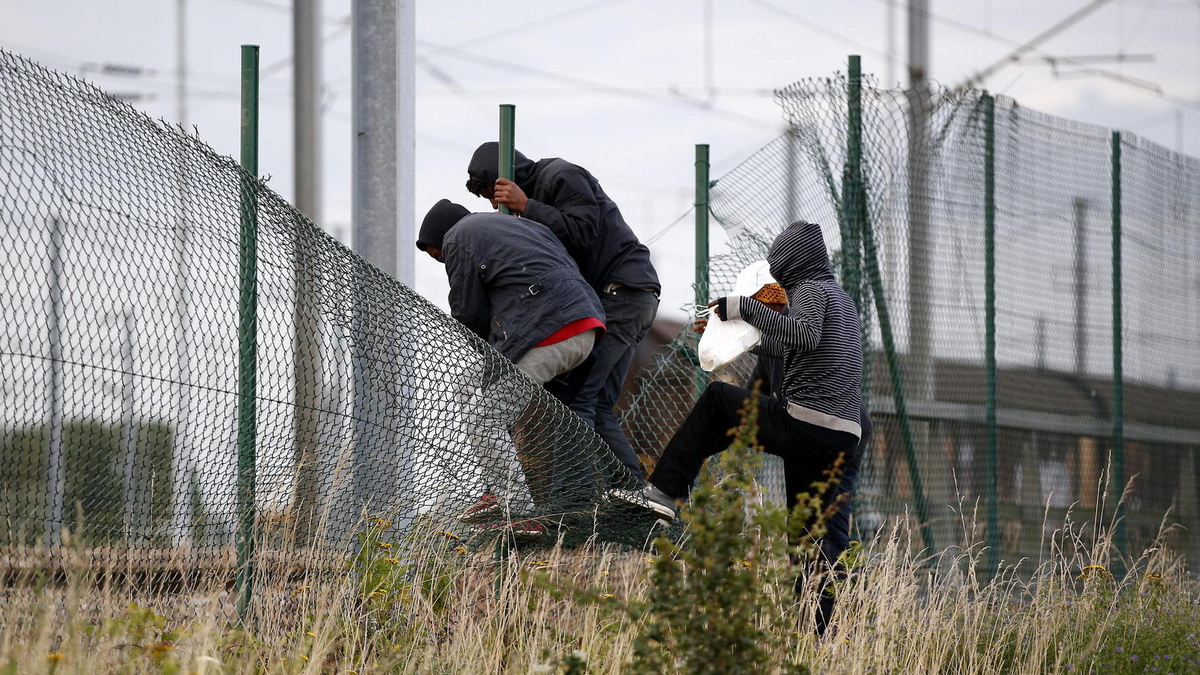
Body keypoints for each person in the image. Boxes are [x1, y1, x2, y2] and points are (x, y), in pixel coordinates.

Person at [611, 219, 863, 533]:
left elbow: (805, 335)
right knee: (809, 531)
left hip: (809, 422)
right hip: (838, 435)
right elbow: (793, 348)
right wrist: (733, 336)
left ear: (790, 262)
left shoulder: (808, 288)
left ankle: (664, 492)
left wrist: (745, 308)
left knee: (717, 399)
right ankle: (820, 583)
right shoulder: (838, 297)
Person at [465, 143, 659, 488]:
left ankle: (574, 501)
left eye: (491, 194)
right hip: (627, 295)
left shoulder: (561, 175)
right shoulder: (537, 197)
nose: (495, 206)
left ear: (505, 179)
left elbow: (584, 232)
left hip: (620, 293)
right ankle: (635, 495)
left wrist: (526, 205)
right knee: (597, 403)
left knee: (574, 398)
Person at [417, 199, 606, 533]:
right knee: (467, 383)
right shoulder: (520, 227)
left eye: (438, 255)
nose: (443, 260)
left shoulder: (459, 237)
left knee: (484, 416)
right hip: (580, 325)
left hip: (553, 332)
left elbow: (468, 312)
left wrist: (481, 346)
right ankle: (496, 488)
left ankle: (519, 511)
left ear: (441, 237)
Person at [695, 278, 870, 635]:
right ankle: (819, 625)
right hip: (829, 438)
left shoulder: (802, 331)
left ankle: (828, 627)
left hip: (837, 441)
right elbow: (744, 416)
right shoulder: (772, 348)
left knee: (823, 534)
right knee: (813, 535)